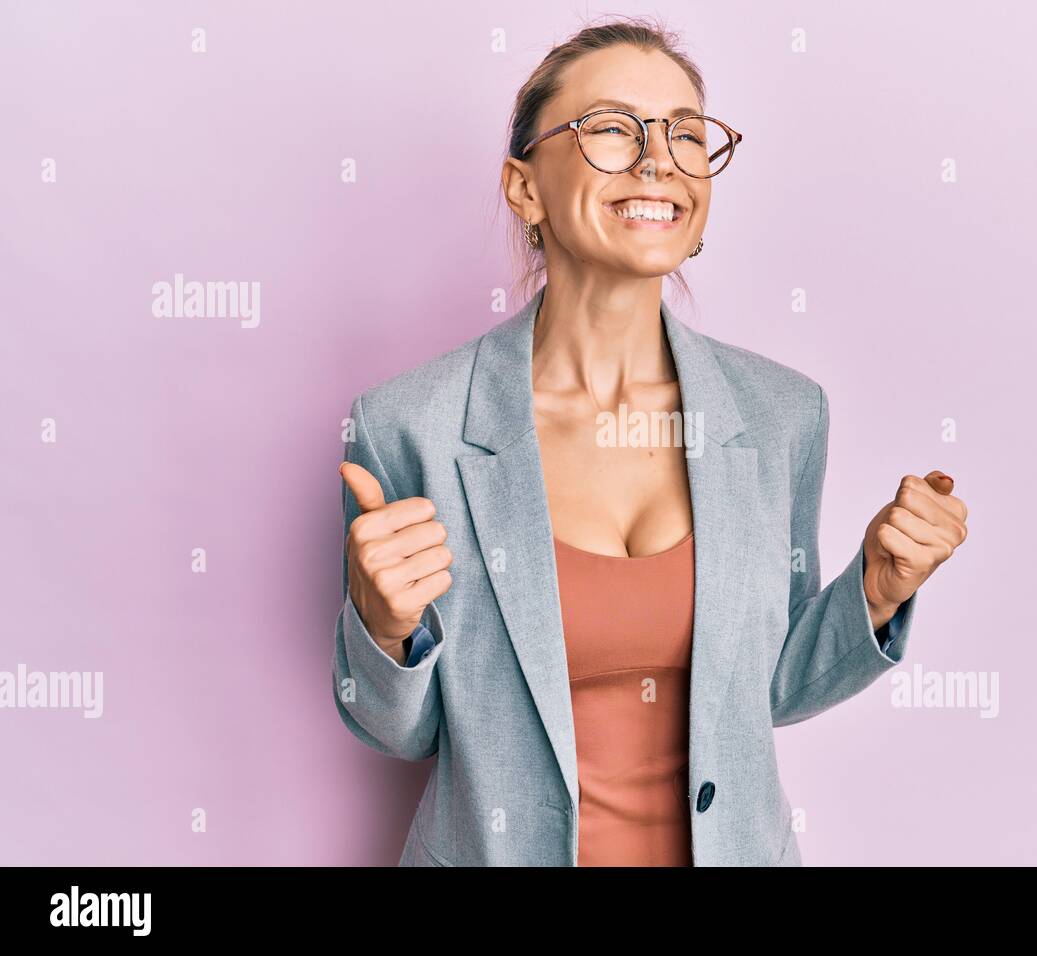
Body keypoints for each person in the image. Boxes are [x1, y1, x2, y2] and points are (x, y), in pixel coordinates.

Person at [332, 15, 968, 867]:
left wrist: (878, 593)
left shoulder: (782, 414)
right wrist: (381, 630)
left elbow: (766, 694)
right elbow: (397, 732)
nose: (658, 158)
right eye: (610, 130)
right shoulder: (407, 424)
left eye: (684, 134)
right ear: (524, 189)